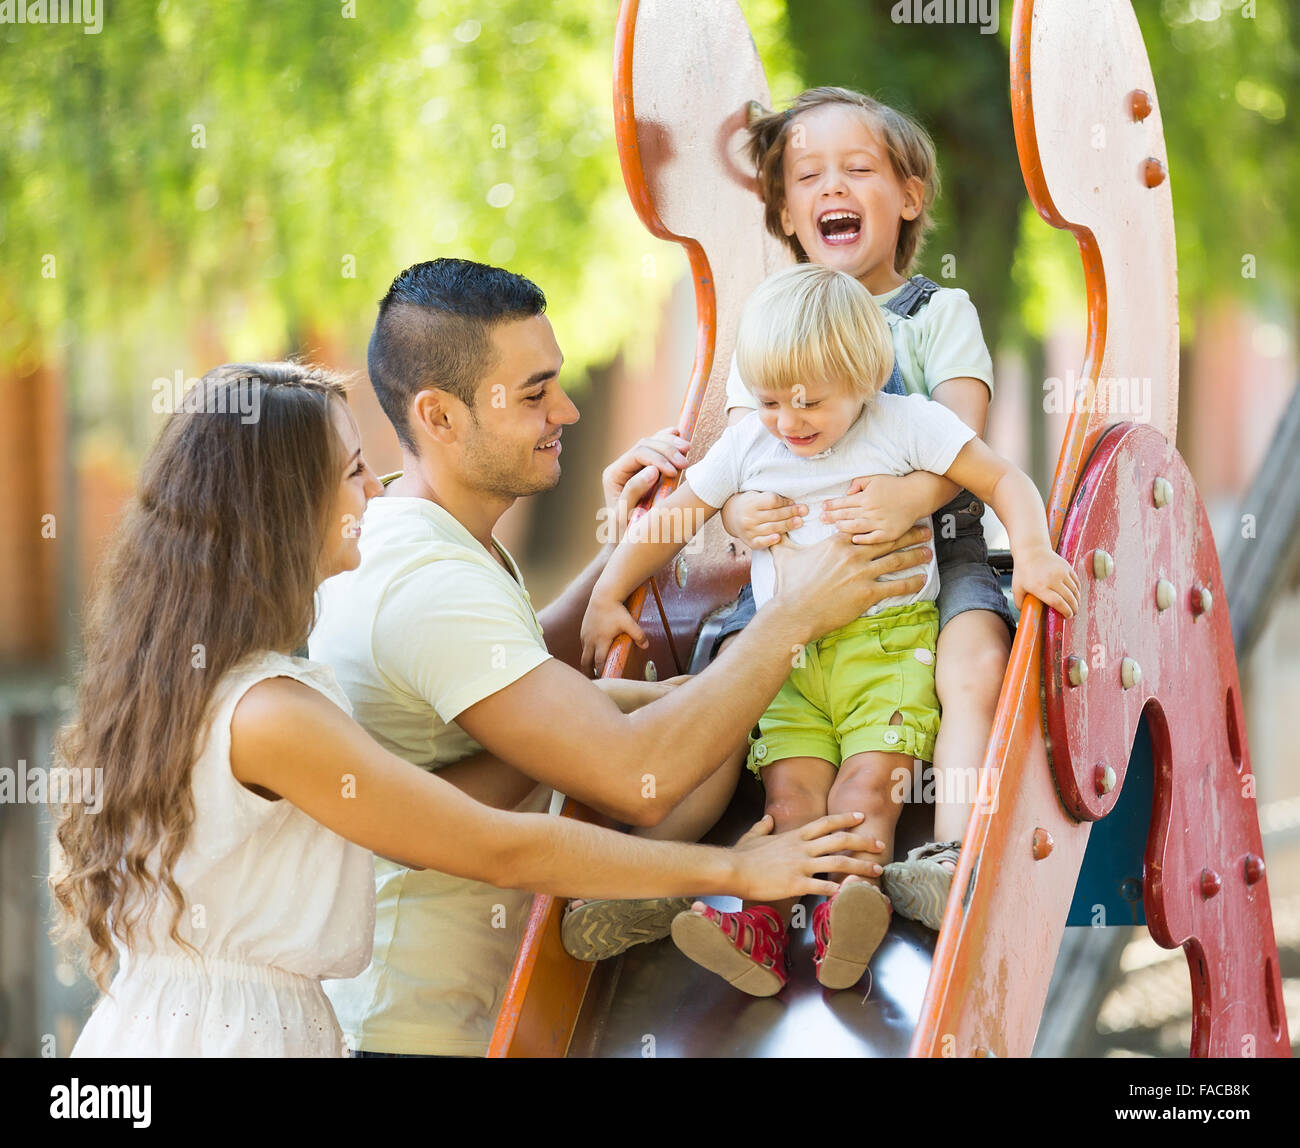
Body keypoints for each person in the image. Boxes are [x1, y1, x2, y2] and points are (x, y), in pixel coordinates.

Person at [50, 362, 888, 1057]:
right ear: (281, 507)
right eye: (350, 474)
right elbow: (498, 847)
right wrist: (738, 872)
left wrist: (589, 706)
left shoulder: (225, 688)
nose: (373, 495)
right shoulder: (270, 711)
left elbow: (438, 816)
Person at [307, 258, 936, 1056]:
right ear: (439, 415)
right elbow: (638, 778)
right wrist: (796, 613)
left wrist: (622, 558)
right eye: (534, 394)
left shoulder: (431, 539)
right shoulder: (424, 585)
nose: (565, 410)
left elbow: (512, 664)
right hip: (421, 1032)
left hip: (483, 1010)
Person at [580, 263, 1080, 994]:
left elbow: (1004, 478)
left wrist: (1032, 553)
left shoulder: (906, 426)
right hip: (786, 659)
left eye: (810, 401)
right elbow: (679, 512)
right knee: (789, 802)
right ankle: (763, 924)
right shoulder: (755, 442)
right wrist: (608, 590)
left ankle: (846, 912)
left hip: (886, 650)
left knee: (867, 791)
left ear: (866, 377)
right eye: (773, 399)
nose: (790, 420)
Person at [714, 86, 1022, 930]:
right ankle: (725, 883)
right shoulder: (773, 326)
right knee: (723, 680)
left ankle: (948, 854)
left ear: (909, 197)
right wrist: (740, 516)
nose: (831, 189)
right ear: (784, 211)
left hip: (932, 550)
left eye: (858, 169)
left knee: (975, 663)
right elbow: (743, 458)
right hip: (801, 572)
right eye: (808, 176)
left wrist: (911, 499)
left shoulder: (936, 314)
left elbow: (968, 445)